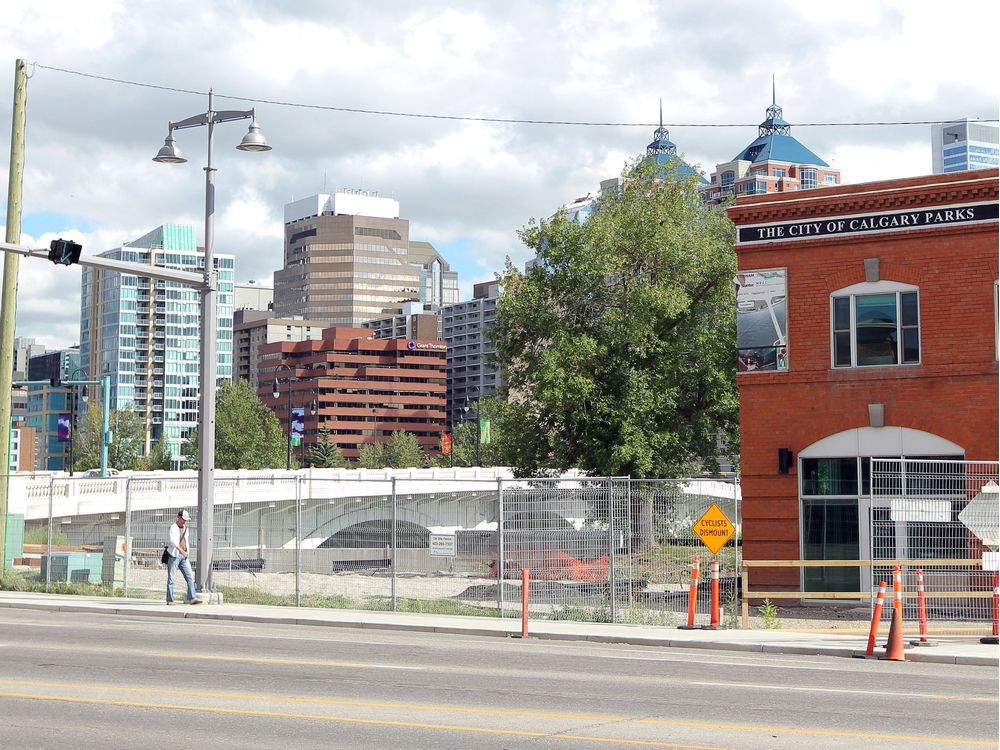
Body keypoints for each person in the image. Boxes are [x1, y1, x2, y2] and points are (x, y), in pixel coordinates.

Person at [166, 509, 203, 605]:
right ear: (178, 518)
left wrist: (186, 552)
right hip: (174, 555)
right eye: (183, 519)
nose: (184, 521)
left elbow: (185, 541)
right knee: (171, 578)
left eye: (185, 520)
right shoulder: (173, 527)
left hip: (184, 556)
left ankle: (192, 597)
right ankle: (170, 600)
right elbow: (174, 542)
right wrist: (183, 551)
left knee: (190, 576)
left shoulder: (186, 528)